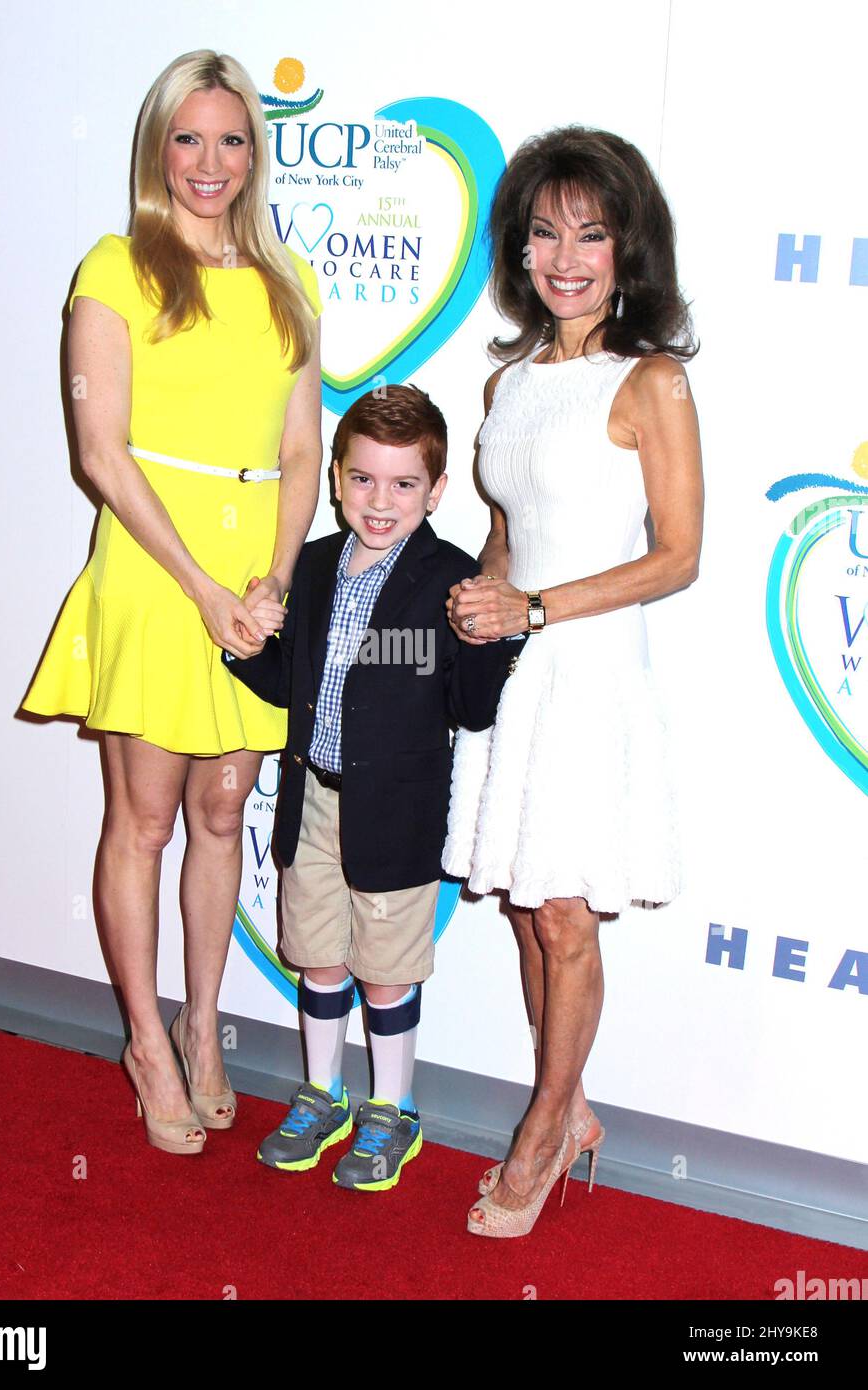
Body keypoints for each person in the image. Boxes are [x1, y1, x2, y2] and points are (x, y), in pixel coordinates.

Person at [20, 50, 323, 1154]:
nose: (210, 162)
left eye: (231, 139)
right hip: (154, 577)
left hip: (254, 580)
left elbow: (302, 447)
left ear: (255, 151)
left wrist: (275, 581)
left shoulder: (289, 280)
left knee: (218, 815)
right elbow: (101, 452)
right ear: (159, 148)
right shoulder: (117, 265)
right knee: (143, 820)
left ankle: (206, 1028)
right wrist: (198, 586)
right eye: (188, 138)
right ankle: (144, 1039)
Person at [441, 126, 704, 1235]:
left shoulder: (651, 382)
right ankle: (574, 1102)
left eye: (590, 233)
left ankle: (542, 1129)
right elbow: (508, 529)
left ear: (626, 248)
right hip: (516, 674)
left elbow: (676, 555)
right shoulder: (508, 380)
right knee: (521, 905)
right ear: (519, 247)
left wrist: (538, 606)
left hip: (589, 667)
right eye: (544, 231)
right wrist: (483, 596)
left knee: (562, 917)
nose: (564, 255)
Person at [224, 385, 526, 1191]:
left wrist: (488, 639)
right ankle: (321, 1093)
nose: (379, 501)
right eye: (361, 480)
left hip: (396, 815)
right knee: (318, 961)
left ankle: (391, 1110)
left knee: (386, 970)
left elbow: (468, 707)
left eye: (401, 485)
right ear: (333, 478)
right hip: (310, 801)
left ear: (435, 491)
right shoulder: (315, 565)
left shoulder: (451, 580)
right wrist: (245, 642)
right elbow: (292, 684)